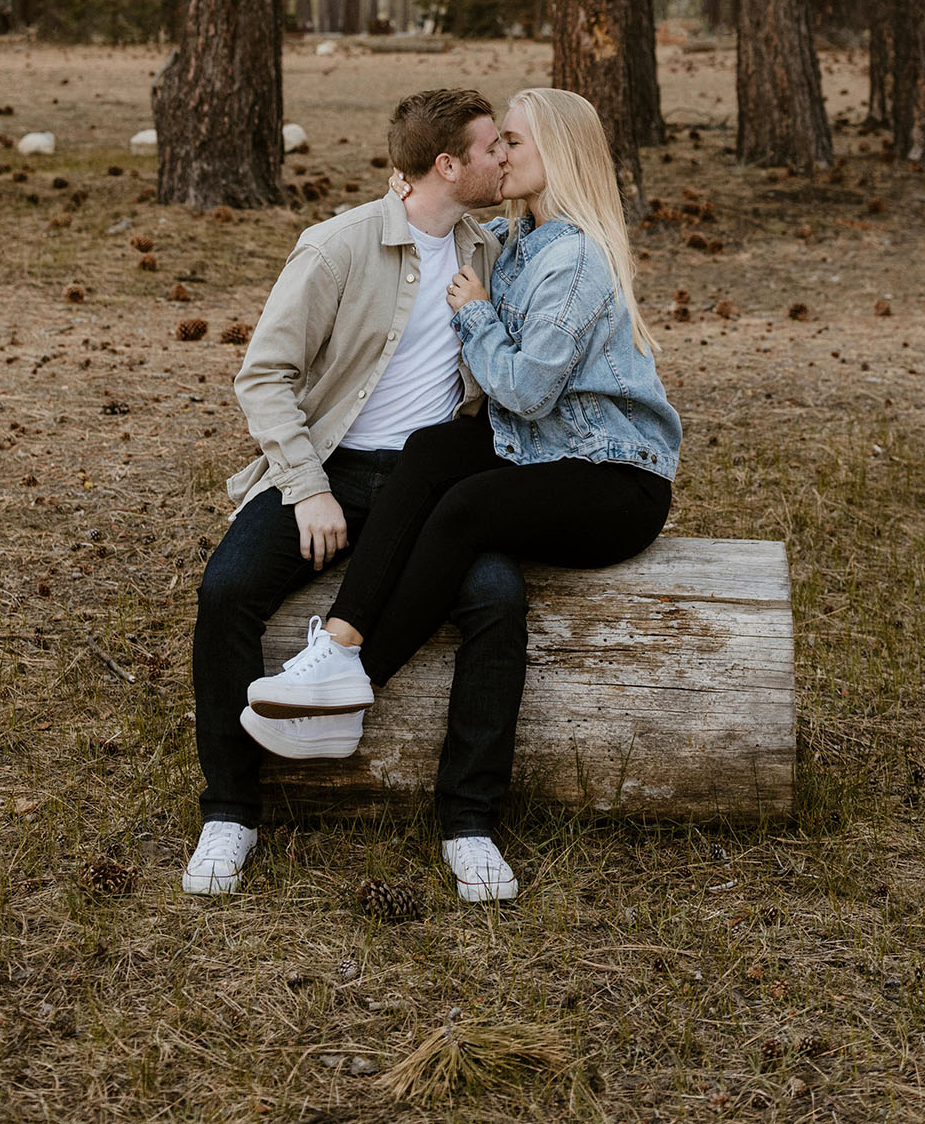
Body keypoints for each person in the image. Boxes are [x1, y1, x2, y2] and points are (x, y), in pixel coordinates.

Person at [247, 87, 680, 811]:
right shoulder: (518, 239)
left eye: (513, 141)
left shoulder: (575, 258)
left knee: (465, 507)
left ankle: (355, 680)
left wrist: (476, 314)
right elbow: (441, 217)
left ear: (557, 156)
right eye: (496, 141)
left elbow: (525, 391)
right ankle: (338, 645)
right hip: (545, 450)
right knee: (431, 450)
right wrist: (413, 182)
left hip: (613, 478)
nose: (499, 154)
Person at [181, 87, 531, 905]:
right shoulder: (335, 247)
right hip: (331, 467)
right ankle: (229, 810)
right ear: (445, 165)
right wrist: (306, 488)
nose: (503, 159)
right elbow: (263, 375)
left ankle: (469, 820)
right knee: (226, 590)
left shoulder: (491, 250)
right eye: (491, 148)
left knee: (496, 599)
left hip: (435, 484)